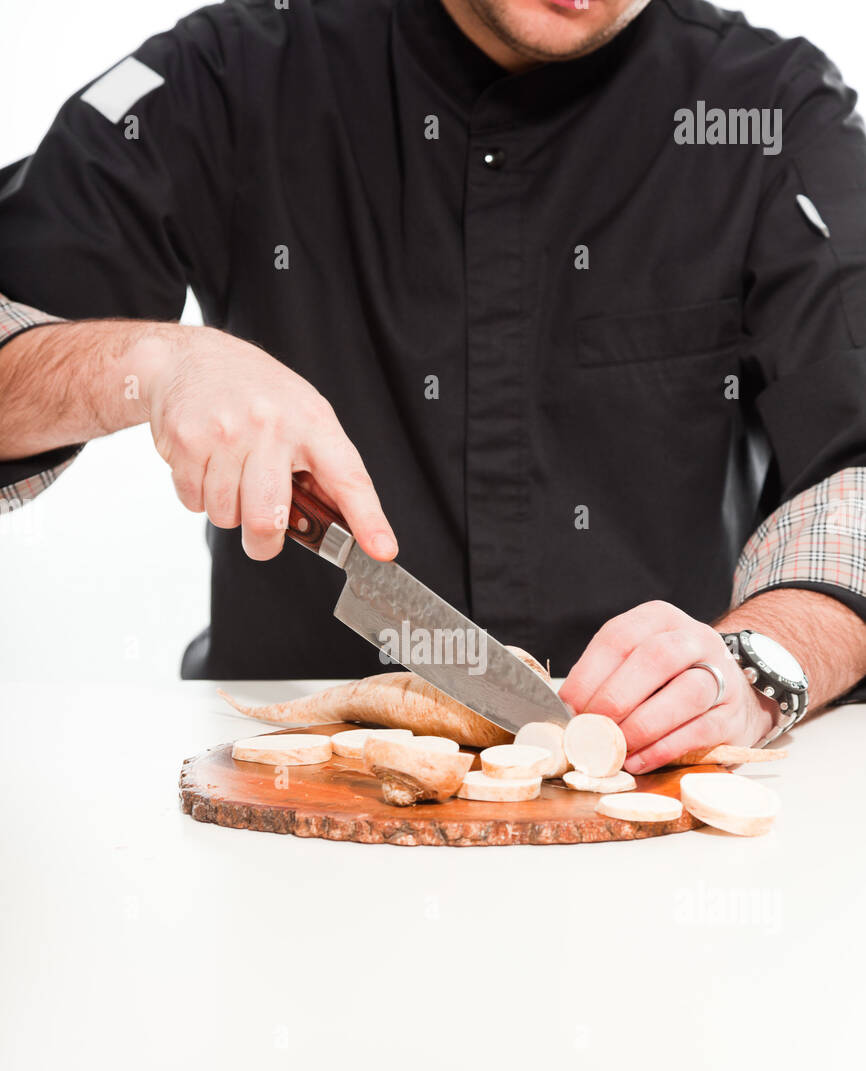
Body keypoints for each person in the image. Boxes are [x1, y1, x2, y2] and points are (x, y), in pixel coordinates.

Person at [1, 0, 864, 773]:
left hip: (647, 818)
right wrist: (153, 365)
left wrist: (767, 660)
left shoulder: (768, 112)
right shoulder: (226, 78)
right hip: (291, 830)